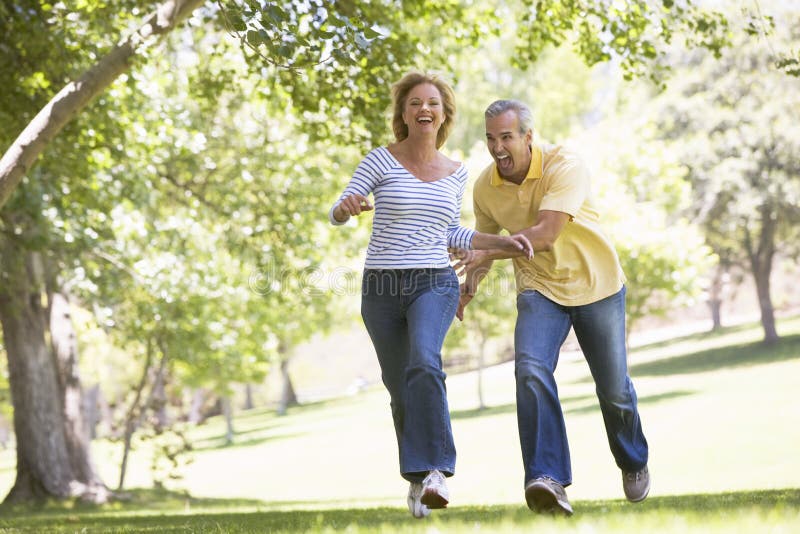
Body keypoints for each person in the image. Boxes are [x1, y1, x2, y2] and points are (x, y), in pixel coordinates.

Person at [329, 75, 532, 519]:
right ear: (403, 113)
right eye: (415, 102)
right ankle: (418, 478)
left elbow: (450, 232)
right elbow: (342, 205)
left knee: (424, 361)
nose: (425, 108)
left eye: (433, 103)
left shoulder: (456, 171)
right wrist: (346, 208)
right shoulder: (380, 161)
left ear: (444, 114)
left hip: (433, 281)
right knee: (401, 387)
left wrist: (503, 243)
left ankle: (438, 469)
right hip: (381, 287)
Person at [454, 99, 650, 516]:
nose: (498, 147)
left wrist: (492, 248)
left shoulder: (566, 165)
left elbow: (545, 233)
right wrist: (467, 287)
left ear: (528, 136)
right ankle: (547, 478)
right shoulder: (486, 187)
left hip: (596, 284)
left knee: (614, 390)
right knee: (529, 368)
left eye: (506, 137)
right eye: (490, 138)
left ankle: (633, 460)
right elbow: (485, 246)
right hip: (539, 289)